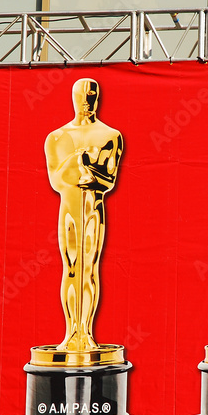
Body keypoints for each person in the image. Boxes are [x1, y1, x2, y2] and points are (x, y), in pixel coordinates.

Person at [44, 78, 123, 352]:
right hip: (69, 210)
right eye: (84, 95)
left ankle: (85, 332)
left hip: (93, 209)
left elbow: (108, 180)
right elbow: (57, 180)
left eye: (93, 95)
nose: (88, 101)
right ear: (75, 98)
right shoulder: (57, 138)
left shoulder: (110, 136)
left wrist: (85, 168)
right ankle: (71, 332)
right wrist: (81, 163)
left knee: (88, 269)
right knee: (72, 268)